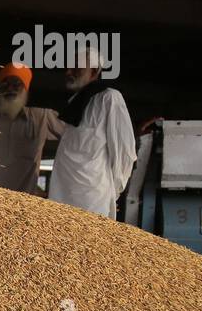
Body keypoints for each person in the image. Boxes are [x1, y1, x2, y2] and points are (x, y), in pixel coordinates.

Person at [47, 44, 136, 218]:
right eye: (69, 66)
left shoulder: (109, 98)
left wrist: (112, 190)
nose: (68, 72)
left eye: (77, 67)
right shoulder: (74, 104)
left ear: (94, 72)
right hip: (62, 197)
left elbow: (125, 151)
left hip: (93, 202)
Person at [0, 63, 65, 194]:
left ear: (26, 89)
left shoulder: (41, 117)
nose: (10, 88)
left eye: (17, 84)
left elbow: (75, 134)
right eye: (5, 84)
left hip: (21, 206)